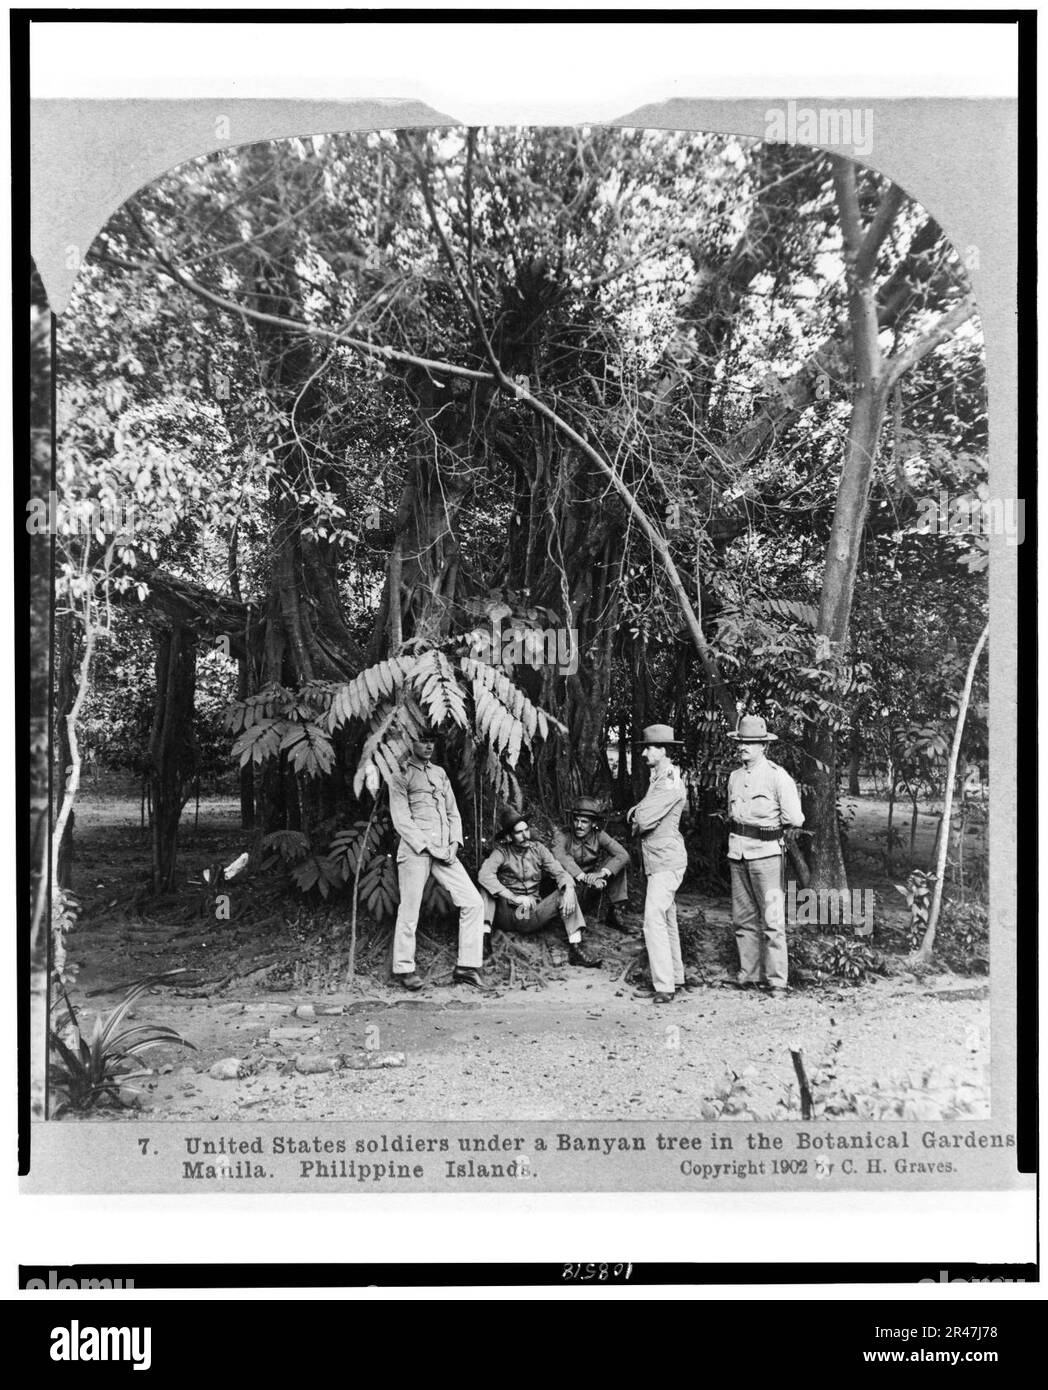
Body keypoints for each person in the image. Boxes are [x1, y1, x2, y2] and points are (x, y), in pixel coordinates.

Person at [387, 726, 486, 991]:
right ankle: (404, 969)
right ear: (411, 742)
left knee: (474, 902)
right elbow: (401, 819)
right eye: (422, 740)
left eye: (431, 741)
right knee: (409, 909)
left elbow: (453, 812)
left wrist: (454, 843)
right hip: (415, 852)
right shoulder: (400, 774)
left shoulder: (440, 773)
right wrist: (427, 846)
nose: (428, 746)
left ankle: (466, 966)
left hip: (445, 851)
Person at [725, 714, 804, 995]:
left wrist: (771, 830)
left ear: (763, 746)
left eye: (750, 743)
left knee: (772, 919)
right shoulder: (734, 777)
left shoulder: (776, 776)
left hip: (767, 856)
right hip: (738, 854)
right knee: (742, 919)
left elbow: (795, 818)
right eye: (741, 742)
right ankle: (749, 975)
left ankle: (777, 981)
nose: (743, 747)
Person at [478, 809, 603, 967]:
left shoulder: (538, 849)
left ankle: (576, 947)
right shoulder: (501, 852)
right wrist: (514, 897)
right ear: (509, 836)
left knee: (566, 890)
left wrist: (570, 890)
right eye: (519, 833)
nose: (525, 836)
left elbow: (560, 872)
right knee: (486, 887)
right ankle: (484, 941)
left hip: (530, 915)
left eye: (526, 830)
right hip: (506, 914)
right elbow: (484, 875)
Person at [626, 725, 690, 1004]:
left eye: (648, 747)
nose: (643, 752)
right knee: (666, 918)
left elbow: (643, 819)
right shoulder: (658, 778)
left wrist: (633, 814)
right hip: (659, 859)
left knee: (653, 919)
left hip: (667, 859)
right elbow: (643, 813)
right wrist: (636, 813)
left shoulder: (669, 780)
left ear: (663, 750)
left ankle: (664, 986)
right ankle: (675, 977)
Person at [551, 797, 632, 932]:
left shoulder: (599, 835)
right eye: (576, 820)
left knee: (618, 866)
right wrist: (583, 876)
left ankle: (614, 913)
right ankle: (569, 926)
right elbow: (560, 856)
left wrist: (601, 874)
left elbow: (623, 855)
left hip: (589, 888)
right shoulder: (563, 834)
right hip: (568, 887)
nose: (579, 825)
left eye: (584, 822)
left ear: (593, 823)